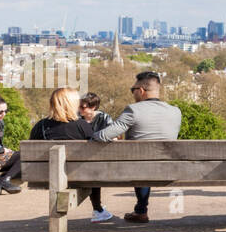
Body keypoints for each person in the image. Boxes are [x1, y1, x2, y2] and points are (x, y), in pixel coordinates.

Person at [91, 70, 183, 223]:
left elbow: (104, 135)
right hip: (169, 168)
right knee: (146, 163)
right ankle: (140, 210)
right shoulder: (176, 111)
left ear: (141, 91)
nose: (132, 93)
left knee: (141, 164)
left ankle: (140, 210)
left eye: (132, 90)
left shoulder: (133, 110)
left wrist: (90, 134)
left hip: (137, 168)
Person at [29, 88, 112, 222]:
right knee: (93, 168)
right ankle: (98, 209)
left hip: (47, 175)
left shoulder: (41, 125)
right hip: (80, 176)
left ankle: (98, 210)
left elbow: (31, 149)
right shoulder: (82, 125)